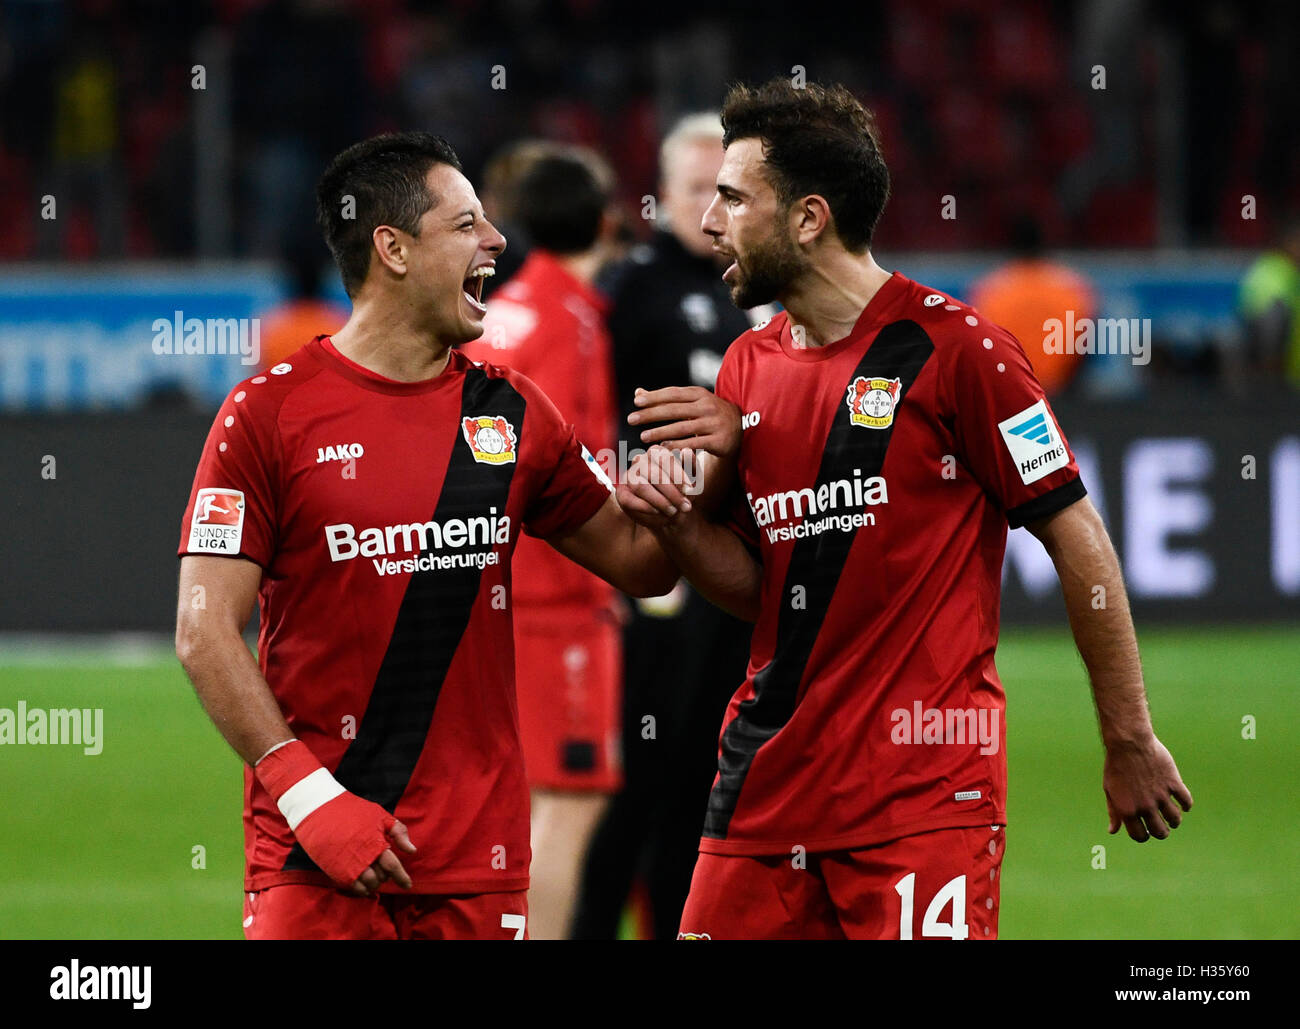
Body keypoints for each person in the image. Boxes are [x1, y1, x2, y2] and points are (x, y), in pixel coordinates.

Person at [619, 79, 1193, 940]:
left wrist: (1129, 736)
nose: (710, 223)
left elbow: (1078, 536)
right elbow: (761, 590)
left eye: (734, 200)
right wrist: (677, 523)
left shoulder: (963, 350)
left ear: (808, 218)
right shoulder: (745, 367)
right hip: (764, 792)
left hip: (922, 799)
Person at [174, 131, 677, 941]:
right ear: (392, 249)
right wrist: (312, 799)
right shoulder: (267, 416)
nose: (497, 240)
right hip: (315, 855)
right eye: (466, 223)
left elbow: (641, 563)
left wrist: (705, 473)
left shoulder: (512, 412)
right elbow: (203, 630)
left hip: (478, 869)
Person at [573, 113, 763, 940]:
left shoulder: (756, 289)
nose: (709, 208)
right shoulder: (632, 287)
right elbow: (582, 413)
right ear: (660, 197)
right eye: (694, 190)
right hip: (659, 562)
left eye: (724, 191)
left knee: (710, 764)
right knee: (639, 773)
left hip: (733, 558)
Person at [460, 149, 623, 939]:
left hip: (496, 582)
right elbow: (572, 465)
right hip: (557, 594)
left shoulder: (504, 310)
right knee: (572, 794)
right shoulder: (573, 319)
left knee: (522, 796)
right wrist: (611, 580)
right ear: (603, 222)